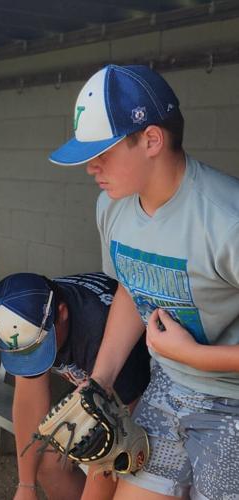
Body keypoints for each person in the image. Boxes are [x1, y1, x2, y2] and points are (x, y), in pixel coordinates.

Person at [50, 64, 239, 500]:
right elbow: (128, 289)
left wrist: (197, 356)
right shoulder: (112, 208)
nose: (90, 167)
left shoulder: (225, 220)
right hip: (168, 384)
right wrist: (101, 379)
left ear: (151, 140)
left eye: (103, 152)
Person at [0, 272, 149, 500]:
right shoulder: (32, 313)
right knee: (48, 463)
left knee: (125, 477)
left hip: (145, 387)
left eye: (39, 348)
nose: (35, 359)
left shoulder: (97, 330)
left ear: (62, 313)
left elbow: (114, 445)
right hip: (94, 383)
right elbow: (28, 402)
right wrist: (26, 486)